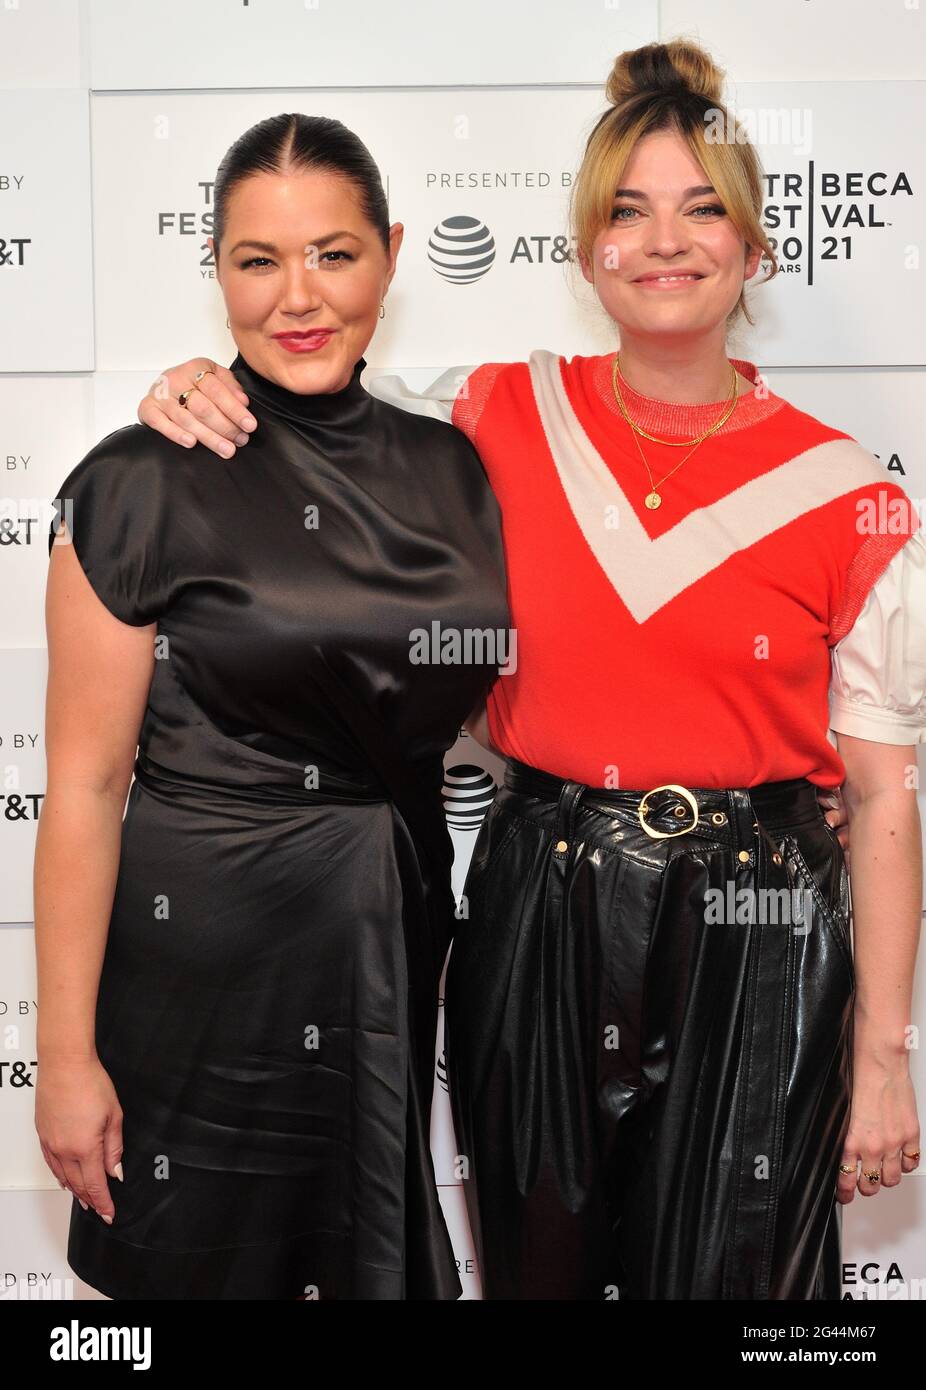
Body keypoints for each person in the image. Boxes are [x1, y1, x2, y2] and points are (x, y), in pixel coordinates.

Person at [132, 39, 923, 1301]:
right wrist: (191, 385)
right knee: (539, 1268)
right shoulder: (490, 415)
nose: (662, 241)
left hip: (763, 926)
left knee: (742, 1288)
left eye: (700, 208)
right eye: (625, 211)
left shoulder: (850, 494)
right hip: (541, 898)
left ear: (756, 245)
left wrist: (881, 1054)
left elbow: (882, 797)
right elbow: (305, 386)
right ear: (584, 247)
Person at [34, 112, 508, 1300]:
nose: (297, 295)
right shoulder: (139, 480)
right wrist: (63, 1056)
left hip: (380, 945)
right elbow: (87, 788)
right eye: (258, 260)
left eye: (333, 253)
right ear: (218, 273)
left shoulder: (457, 466)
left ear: (392, 256)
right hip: (196, 969)